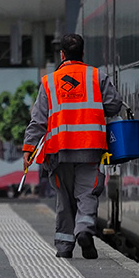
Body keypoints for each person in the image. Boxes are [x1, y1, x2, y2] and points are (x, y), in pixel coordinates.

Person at [22, 33, 121, 259]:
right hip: (90, 147)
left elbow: (38, 120)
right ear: (83, 53)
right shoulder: (97, 76)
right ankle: (84, 229)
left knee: (64, 199)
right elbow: (114, 105)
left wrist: (28, 149)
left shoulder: (49, 82)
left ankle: (64, 247)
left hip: (59, 150)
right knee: (87, 193)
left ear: (62, 54)